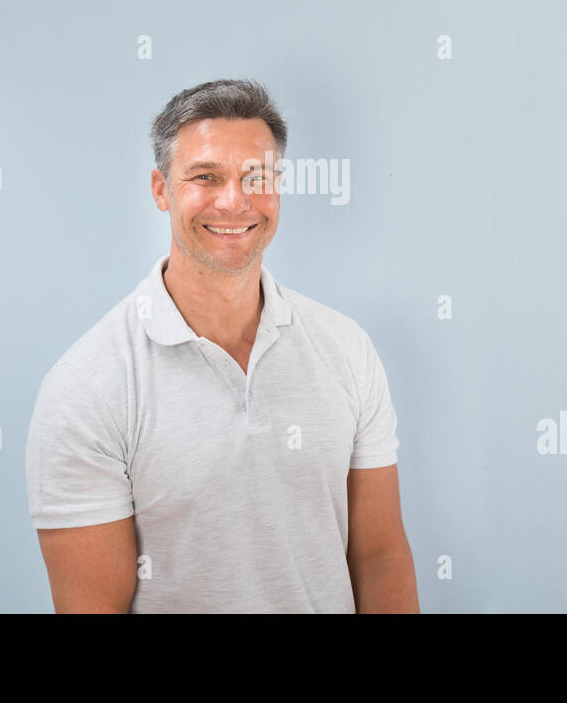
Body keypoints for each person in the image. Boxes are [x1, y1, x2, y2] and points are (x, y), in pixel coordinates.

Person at [25, 78, 418, 612]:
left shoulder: (347, 349)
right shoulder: (87, 386)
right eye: (205, 177)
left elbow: (379, 558)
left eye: (255, 177)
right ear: (161, 189)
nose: (234, 201)